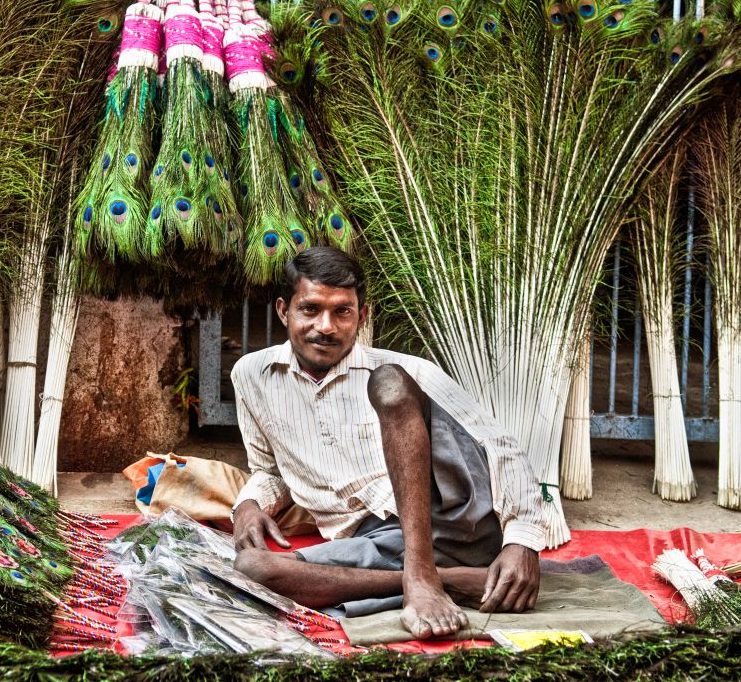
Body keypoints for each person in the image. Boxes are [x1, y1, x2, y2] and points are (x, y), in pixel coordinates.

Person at [229, 246, 549, 639]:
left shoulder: (409, 369)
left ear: (361, 317)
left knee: (390, 383)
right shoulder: (252, 375)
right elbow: (270, 469)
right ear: (284, 311)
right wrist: (247, 504)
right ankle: (442, 579)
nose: (326, 326)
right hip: (377, 540)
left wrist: (522, 543)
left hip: (454, 518)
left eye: (342, 311)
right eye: (310, 309)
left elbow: (501, 446)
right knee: (253, 570)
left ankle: (421, 577)